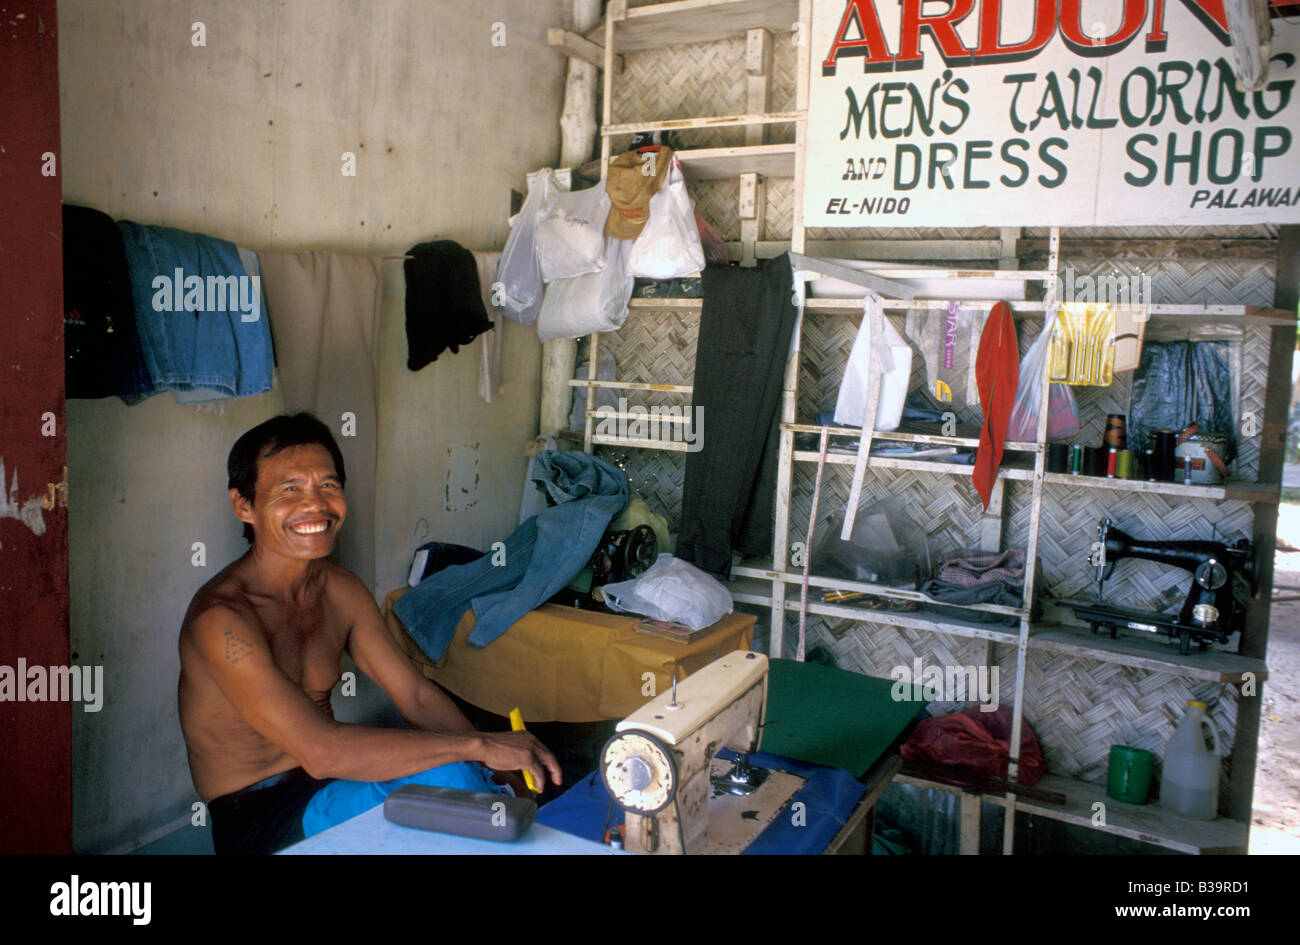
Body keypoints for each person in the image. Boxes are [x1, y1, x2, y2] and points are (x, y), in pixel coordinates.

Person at [178, 412, 560, 853]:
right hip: (262, 817)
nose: (315, 505)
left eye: (328, 485)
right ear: (244, 506)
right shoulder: (222, 621)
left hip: (333, 783)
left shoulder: (339, 589)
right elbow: (321, 751)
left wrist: (499, 766)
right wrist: (479, 745)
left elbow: (414, 695)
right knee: (454, 777)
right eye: (289, 490)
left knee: (475, 786)